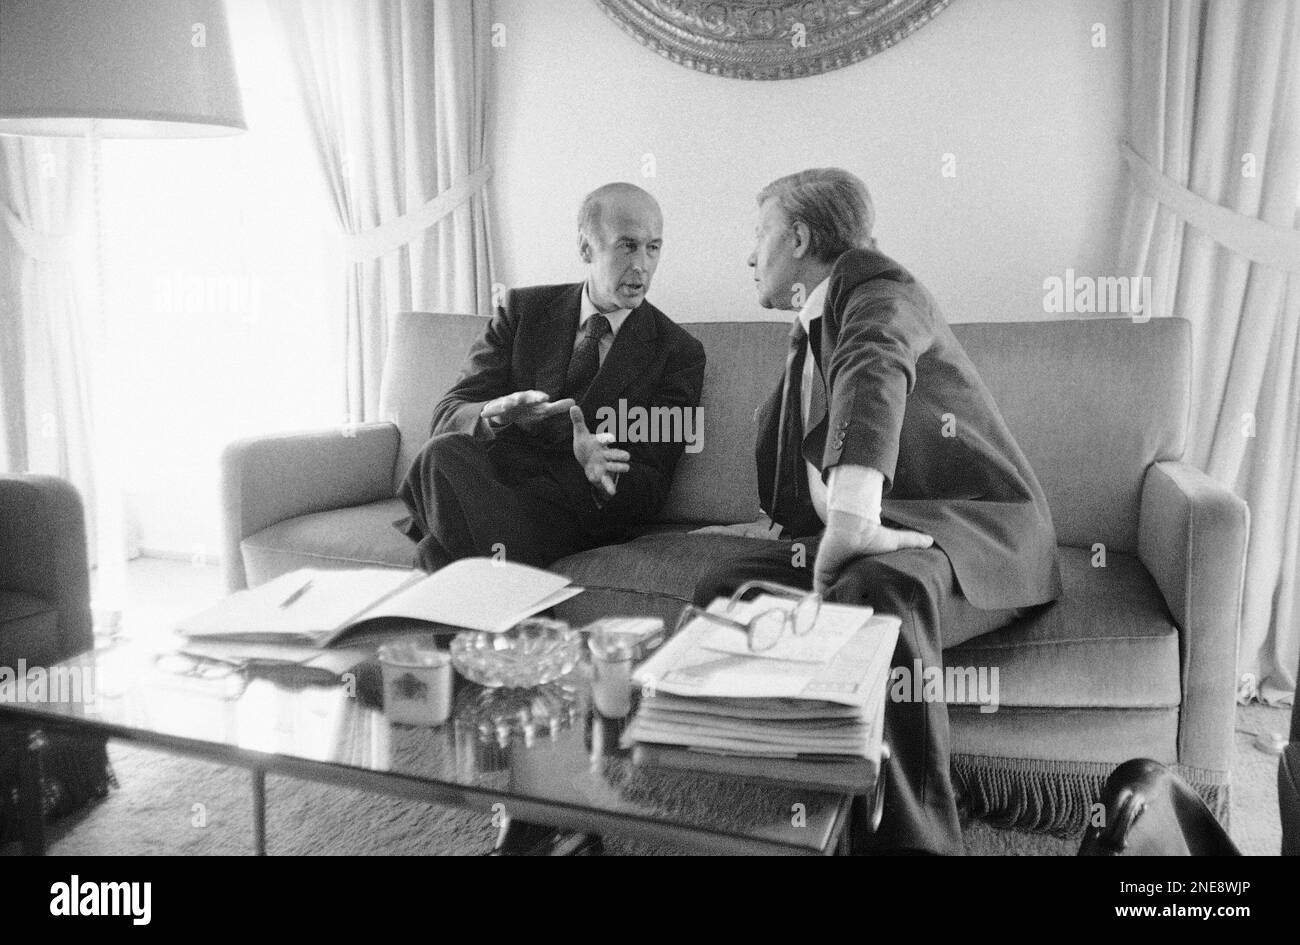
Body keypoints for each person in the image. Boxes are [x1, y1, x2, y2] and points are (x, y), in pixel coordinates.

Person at [694, 168, 1062, 855]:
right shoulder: (811, 332)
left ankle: (916, 842)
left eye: (758, 235)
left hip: (975, 532)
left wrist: (854, 518)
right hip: (895, 531)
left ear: (799, 237)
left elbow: (875, 369)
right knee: (726, 589)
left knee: (877, 591)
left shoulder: (883, 294)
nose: (748, 256)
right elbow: (805, 466)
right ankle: (808, 803)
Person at [395, 182, 706, 573]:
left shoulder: (678, 352)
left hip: (575, 510)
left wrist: (600, 472)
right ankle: (513, 587)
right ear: (586, 248)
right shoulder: (522, 310)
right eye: (628, 246)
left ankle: (489, 570)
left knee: (433, 552)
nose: (642, 264)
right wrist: (495, 414)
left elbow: (653, 480)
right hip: (496, 488)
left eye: (653, 247)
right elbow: (449, 413)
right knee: (442, 453)